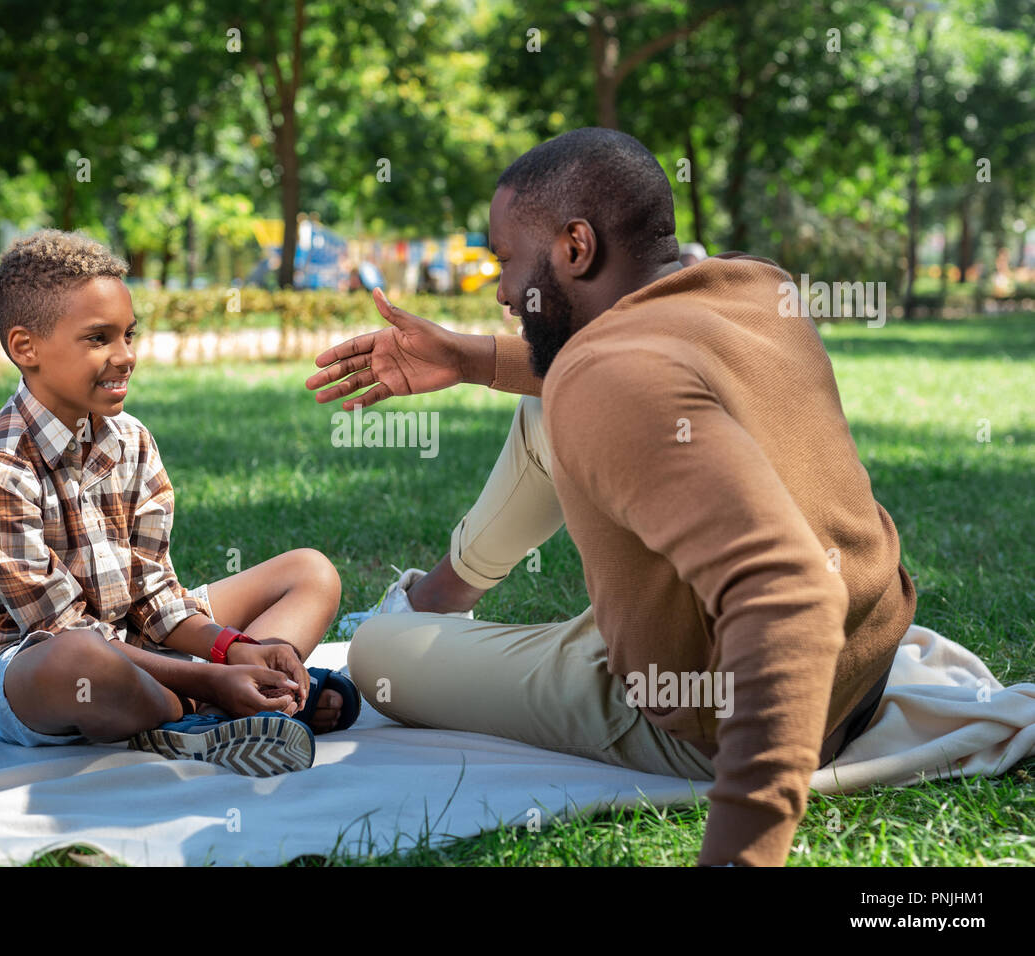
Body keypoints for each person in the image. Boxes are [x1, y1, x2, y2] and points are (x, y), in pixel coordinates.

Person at [305, 127, 915, 864]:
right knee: (547, 406)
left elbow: (785, 593)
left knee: (377, 654)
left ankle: (406, 624)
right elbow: (647, 364)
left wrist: (741, 850)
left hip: (722, 708)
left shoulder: (604, 379)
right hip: (869, 651)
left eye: (506, 261)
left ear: (574, 248)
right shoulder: (756, 285)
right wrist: (465, 357)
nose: (500, 292)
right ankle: (439, 599)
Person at [0, 229, 357, 777]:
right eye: (98, 338)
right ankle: (207, 709)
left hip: (132, 639)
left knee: (310, 573)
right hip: (27, 673)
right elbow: (65, 633)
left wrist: (232, 649)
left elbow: (154, 594)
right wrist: (210, 676)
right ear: (24, 348)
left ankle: (233, 700)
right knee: (81, 662)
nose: (125, 356)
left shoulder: (132, 441)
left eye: (129, 334)